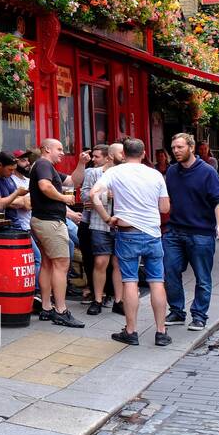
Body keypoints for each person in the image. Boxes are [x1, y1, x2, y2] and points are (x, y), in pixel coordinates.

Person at [90, 138, 172, 347]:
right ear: (144, 153)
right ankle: (161, 332)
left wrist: (107, 218)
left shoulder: (115, 172)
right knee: (156, 282)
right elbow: (164, 208)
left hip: (127, 233)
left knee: (130, 281)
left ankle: (131, 330)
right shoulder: (155, 174)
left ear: (124, 155)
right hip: (153, 234)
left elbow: (93, 194)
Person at [164, 133, 219, 333]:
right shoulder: (172, 171)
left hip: (201, 233)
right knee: (169, 270)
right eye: (173, 147)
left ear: (191, 148)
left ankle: (199, 315)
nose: (175, 151)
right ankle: (177, 310)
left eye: (180, 147)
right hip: (174, 231)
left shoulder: (208, 172)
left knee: (202, 276)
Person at [29, 139, 85, 328]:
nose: (62, 152)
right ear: (46, 149)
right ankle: (61, 311)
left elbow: (73, 181)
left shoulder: (45, 166)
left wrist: (82, 163)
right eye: (59, 149)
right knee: (61, 264)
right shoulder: (44, 164)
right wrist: (63, 198)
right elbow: (45, 186)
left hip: (43, 220)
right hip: (50, 222)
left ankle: (46, 307)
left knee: (47, 263)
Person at [78, 144, 116, 315]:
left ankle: (117, 298)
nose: (93, 159)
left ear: (109, 157)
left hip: (121, 222)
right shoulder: (92, 173)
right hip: (97, 223)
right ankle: (97, 297)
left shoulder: (123, 172)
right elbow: (85, 195)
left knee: (117, 263)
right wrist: (104, 195)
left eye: (97, 156)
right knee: (97, 261)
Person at [11, 150, 40, 273]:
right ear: (15, 163)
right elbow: (27, 205)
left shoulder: (28, 181)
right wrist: (25, 200)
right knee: (37, 258)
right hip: (22, 227)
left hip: (34, 225)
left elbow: (35, 202)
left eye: (28, 160)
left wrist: (26, 200)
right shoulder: (11, 180)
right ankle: (36, 290)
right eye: (23, 160)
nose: (27, 163)